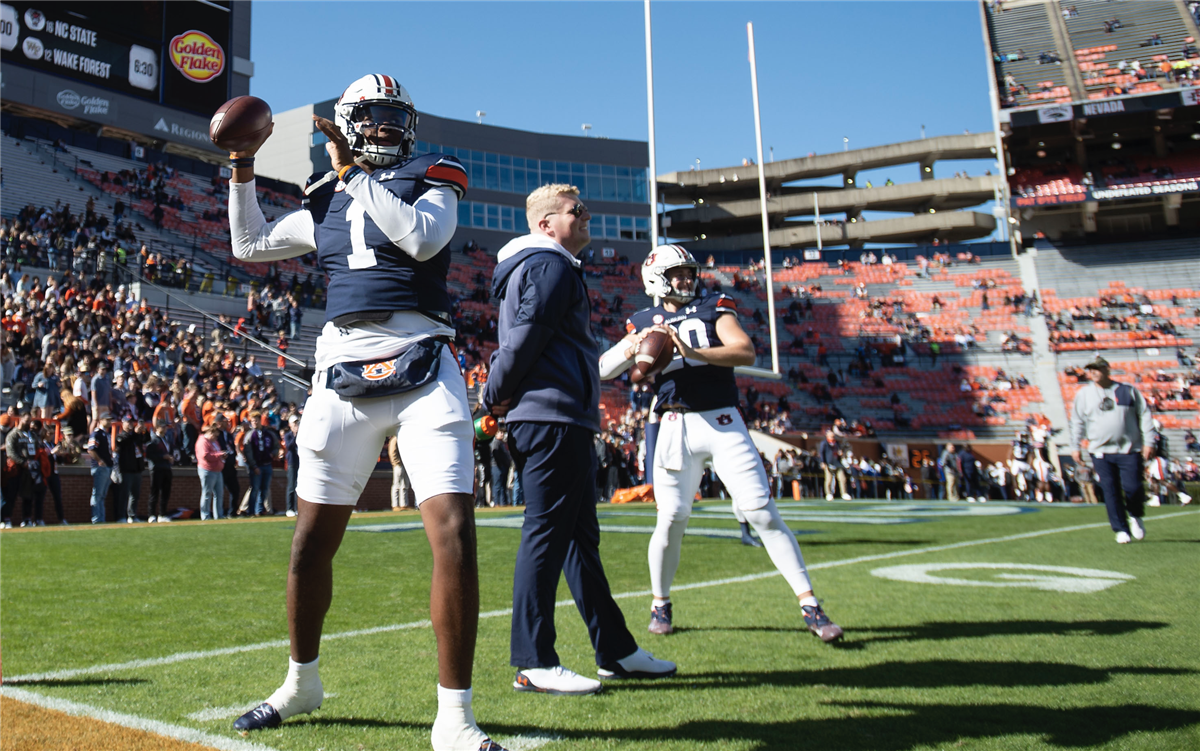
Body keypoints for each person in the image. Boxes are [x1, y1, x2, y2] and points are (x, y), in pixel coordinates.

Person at [226, 73, 502, 751]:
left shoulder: (430, 175)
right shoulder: (324, 202)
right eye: (372, 114)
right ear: (348, 122)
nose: (386, 124)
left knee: (454, 531)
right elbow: (248, 244)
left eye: (393, 114)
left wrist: (352, 177)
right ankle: (301, 682)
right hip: (343, 369)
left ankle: (455, 718)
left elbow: (423, 239)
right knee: (309, 543)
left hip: (421, 362)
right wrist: (242, 166)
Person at [484, 184, 676, 696]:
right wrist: (494, 396)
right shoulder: (549, 266)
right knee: (546, 533)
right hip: (551, 418)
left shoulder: (548, 265)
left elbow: (545, 342)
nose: (587, 215)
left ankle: (615, 649)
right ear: (546, 224)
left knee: (578, 543)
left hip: (559, 415)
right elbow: (526, 336)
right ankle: (533, 659)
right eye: (577, 211)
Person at [599, 243, 843, 642]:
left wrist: (690, 350)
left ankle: (810, 604)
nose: (687, 279)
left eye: (689, 272)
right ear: (657, 278)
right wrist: (633, 347)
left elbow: (744, 350)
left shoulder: (714, 305)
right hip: (673, 425)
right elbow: (606, 369)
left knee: (761, 511)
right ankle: (660, 602)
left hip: (721, 420)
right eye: (678, 273)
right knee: (672, 519)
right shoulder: (642, 319)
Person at [1070, 357, 1155, 544]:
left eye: (1097, 368)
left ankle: (1135, 515)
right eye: (1090, 369)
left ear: (1107, 369)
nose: (1093, 372)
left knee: (1133, 487)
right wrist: (1075, 446)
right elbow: (1077, 422)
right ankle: (1120, 528)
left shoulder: (1127, 391)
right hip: (1100, 451)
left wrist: (1149, 442)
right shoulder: (1083, 395)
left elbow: (1145, 415)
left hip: (1129, 449)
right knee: (1110, 490)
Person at [115, 419, 150, 522]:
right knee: (124, 494)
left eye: (131, 422)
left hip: (137, 469)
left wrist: (144, 430)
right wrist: (135, 433)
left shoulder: (135, 435)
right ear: (123, 423)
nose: (130, 424)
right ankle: (121, 516)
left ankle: (132, 515)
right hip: (126, 470)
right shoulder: (121, 436)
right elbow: (125, 441)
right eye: (128, 422)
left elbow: (147, 439)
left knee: (135, 494)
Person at [85, 415, 114, 524]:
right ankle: (97, 518)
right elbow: (91, 449)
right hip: (100, 467)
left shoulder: (106, 434)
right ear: (101, 420)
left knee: (102, 495)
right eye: (107, 419)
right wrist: (100, 461)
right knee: (98, 494)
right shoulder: (97, 433)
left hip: (107, 467)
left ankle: (101, 518)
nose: (109, 422)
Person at [146, 422, 174, 523]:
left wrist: (169, 458)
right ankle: (151, 514)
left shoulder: (166, 439)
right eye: (163, 426)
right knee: (155, 492)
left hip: (166, 468)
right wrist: (163, 457)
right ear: (157, 428)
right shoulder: (153, 440)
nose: (165, 428)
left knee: (165, 492)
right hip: (156, 468)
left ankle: (162, 514)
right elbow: (149, 455)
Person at [818, 430, 851, 501]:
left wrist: (841, 454)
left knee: (842, 478)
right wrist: (822, 462)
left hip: (837, 463)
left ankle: (844, 493)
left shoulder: (837, 443)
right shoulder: (824, 443)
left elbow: (840, 451)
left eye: (833, 436)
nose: (833, 437)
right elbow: (821, 452)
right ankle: (828, 493)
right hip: (828, 463)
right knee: (828, 480)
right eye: (831, 436)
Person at [387, 435, 415, 510]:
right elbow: (392, 452)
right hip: (399, 465)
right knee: (396, 485)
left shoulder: (401, 438)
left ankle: (404, 505)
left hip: (404, 464)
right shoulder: (395, 439)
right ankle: (395, 505)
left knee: (404, 485)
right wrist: (397, 463)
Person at [282, 415, 301, 517]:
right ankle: (289, 508)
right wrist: (295, 435)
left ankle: (297, 508)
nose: (296, 425)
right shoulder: (288, 435)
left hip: (300, 462)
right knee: (291, 486)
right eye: (294, 423)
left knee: (299, 486)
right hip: (292, 462)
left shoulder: (302, 434)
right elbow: (289, 446)